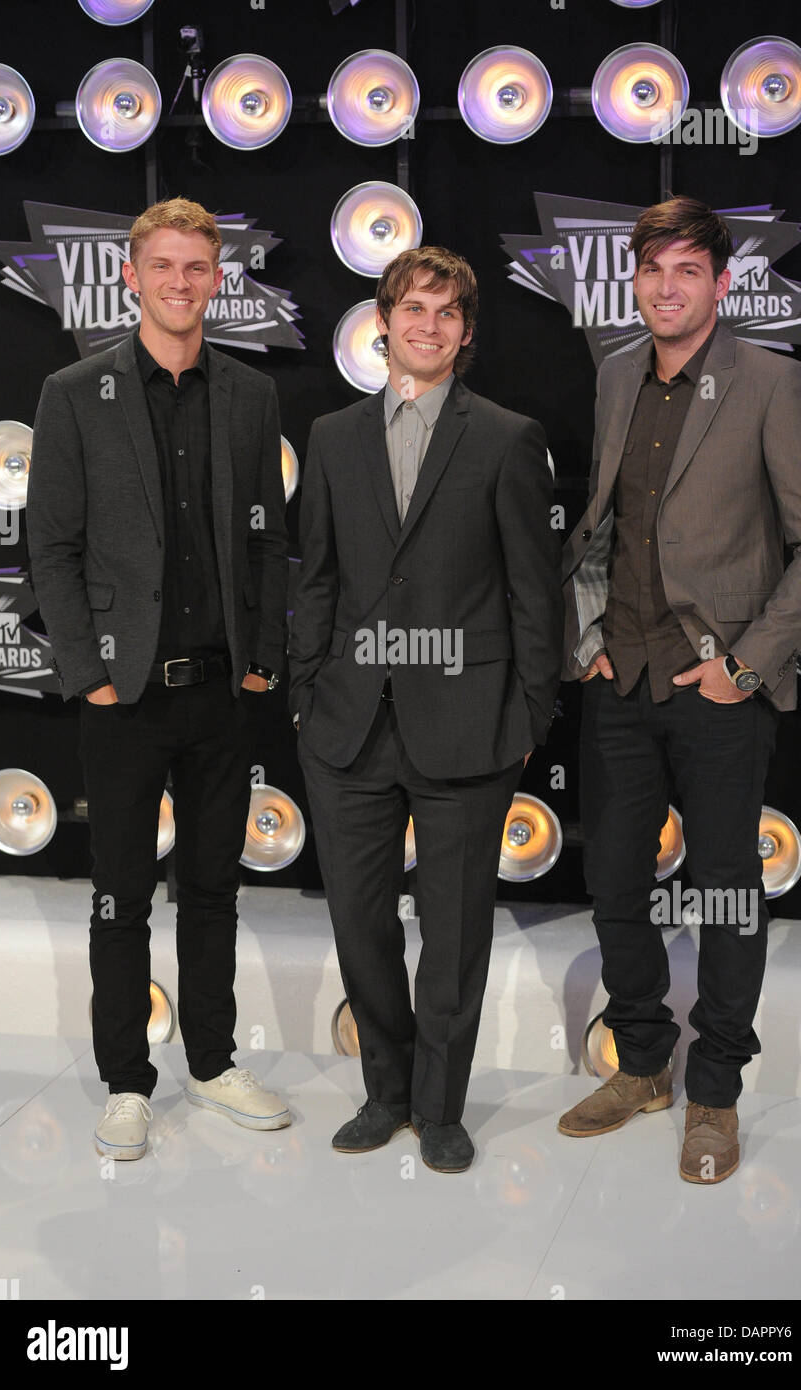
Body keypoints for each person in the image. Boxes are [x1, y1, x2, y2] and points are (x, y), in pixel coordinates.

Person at [559, 195, 801, 1183]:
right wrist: (583, 632)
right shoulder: (612, 374)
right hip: (620, 678)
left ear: (722, 283)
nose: (667, 289)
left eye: (687, 271)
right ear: (632, 280)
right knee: (613, 888)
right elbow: (598, 521)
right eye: (652, 271)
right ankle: (642, 1063)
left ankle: (712, 1086)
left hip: (715, 688)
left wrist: (744, 664)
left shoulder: (774, 382)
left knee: (724, 893)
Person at [289, 246, 562, 1172]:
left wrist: (529, 712)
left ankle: (439, 1109)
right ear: (383, 322)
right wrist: (304, 696)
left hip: (471, 725)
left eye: (446, 313)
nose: (428, 325)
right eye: (412, 307)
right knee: (360, 926)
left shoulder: (505, 436)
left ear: (467, 332)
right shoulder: (330, 437)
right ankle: (385, 1092)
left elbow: (535, 590)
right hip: (348, 723)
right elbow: (315, 580)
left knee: (452, 933)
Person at [27, 197, 290, 1159]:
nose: (181, 283)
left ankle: (213, 1064)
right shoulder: (73, 392)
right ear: (132, 276)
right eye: (163, 266)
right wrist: (88, 674)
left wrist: (262, 663)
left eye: (197, 267)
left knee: (214, 889)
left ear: (217, 278)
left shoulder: (252, 396)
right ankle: (126, 1081)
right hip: (124, 696)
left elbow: (269, 544)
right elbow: (49, 550)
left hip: (221, 691)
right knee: (120, 895)